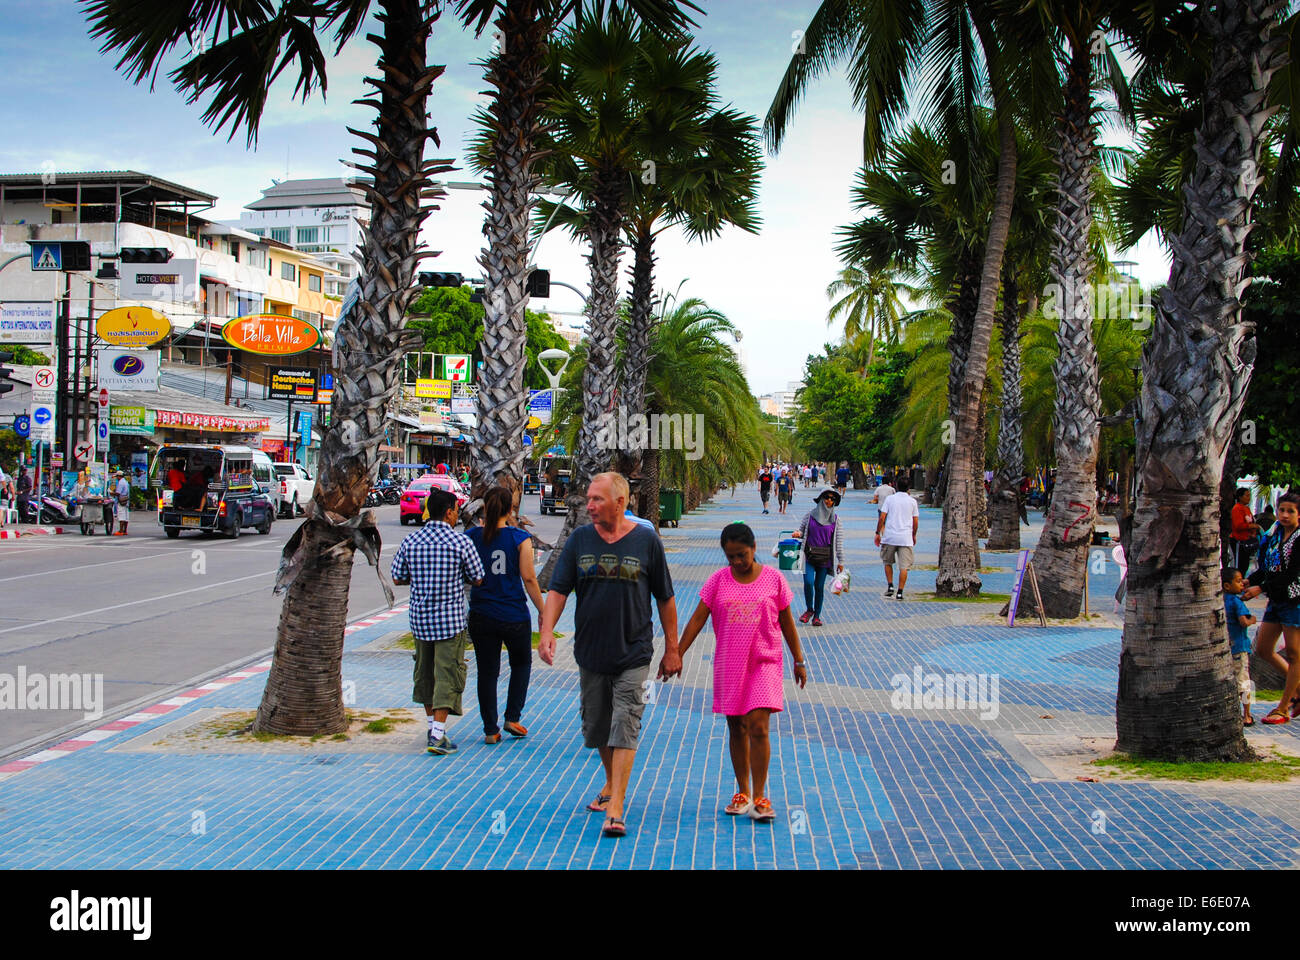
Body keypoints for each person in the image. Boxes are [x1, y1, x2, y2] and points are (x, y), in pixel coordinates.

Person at [538, 472, 678, 839]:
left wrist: (673, 648)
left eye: (597, 499)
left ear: (621, 502)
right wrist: (547, 631)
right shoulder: (580, 540)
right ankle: (611, 784)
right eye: (589, 498)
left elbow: (665, 597)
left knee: (625, 725)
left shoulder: (647, 541)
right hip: (590, 652)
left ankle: (616, 807)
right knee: (597, 727)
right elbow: (558, 590)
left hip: (634, 652)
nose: (590, 505)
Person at [660, 522, 807, 822]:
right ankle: (742, 791)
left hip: (765, 662)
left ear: (754, 549)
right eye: (731, 557)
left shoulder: (774, 580)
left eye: (742, 555)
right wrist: (676, 652)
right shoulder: (717, 582)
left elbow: (788, 623)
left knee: (759, 726)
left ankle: (761, 794)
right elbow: (698, 619)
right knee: (737, 727)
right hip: (730, 663)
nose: (738, 562)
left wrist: (798, 659)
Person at [391, 488, 486, 755]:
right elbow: (478, 577)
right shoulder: (460, 542)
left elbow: (397, 577)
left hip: (420, 621)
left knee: (424, 674)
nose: (457, 515)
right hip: (450, 621)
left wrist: (421, 579)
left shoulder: (412, 541)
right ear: (448, 512)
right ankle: (438, 734)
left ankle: (432, 726)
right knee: (447, 674)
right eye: (456, 510)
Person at [467, 486, 545, 744]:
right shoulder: (519, 538)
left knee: (487, 672)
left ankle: (490, 729)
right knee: (521, 665)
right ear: (511, 509)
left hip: (481, 613)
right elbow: (529, 578)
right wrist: (543, 610)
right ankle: (512, 717)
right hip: (513, 613)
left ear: (485, 509)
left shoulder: (472, 536)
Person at [1246, 492, 1300, 724]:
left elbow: (1290, 574)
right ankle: (1297, 690)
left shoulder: (1298, 539)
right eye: (1282, 510)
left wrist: (1260, 587)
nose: (1285, 515)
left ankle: (1283, 707)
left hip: (1294, 600)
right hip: (1276, 600)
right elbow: (1268, 566)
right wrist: (1251, 580)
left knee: (1294, 653)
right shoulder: (1274, 534)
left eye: (1291, 511)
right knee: (1264, 649)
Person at [791, 489, 845, 627]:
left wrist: (841, 561)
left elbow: (838, 541)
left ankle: (817, 616)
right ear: (821, 498)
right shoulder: (810, 516)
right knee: (808, 583)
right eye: (826, 497)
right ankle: (809, 609)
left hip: (825, 558)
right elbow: (802, 530)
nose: (829, 501)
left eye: (833, 499)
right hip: (809, 556)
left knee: (819, 587)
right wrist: (798, 533)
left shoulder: (836, 520)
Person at [876, 475, 919, 600]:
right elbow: (915, 521)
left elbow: (882, 517)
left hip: (890, 536)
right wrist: (914, 535)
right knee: (904, 566)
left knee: (887, 562)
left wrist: (877, 532)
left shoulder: (890, 499)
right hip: (905, 538)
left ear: (896, 486)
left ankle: (890, 586)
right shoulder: (912, 502)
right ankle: (900, 592)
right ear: (909, 487)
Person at [1224, 568, 1257, 726]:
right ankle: (1247, 714)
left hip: (1226, 647)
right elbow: (1243, 621)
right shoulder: (1237, 602)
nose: (1242, 584)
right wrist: (1253, 620)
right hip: (1240, 647)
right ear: (1227, 586)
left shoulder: (1220, 600)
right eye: (1238, 581)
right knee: (1244, 682)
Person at [1229, 487, 1262, 574]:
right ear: (1240, 497)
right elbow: (1238, 526)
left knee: (1245, 564)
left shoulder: (1246, 508)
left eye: (1249, 495)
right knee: (1240, 565)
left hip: (1247, 540)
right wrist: (1251, 526)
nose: (1249, 498)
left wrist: (1253, 530)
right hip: (1239, 541)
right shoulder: (1237, 508)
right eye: (1247, 496)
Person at [113, 470, 132, 536]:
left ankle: (121, 531)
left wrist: (112, 493)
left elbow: (118, 493)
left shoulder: (121, 483)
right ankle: (125, 531)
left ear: (119, 476)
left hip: (121, 501)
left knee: (121, 516)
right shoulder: (126, 482)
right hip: (126, 501)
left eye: (117, 476)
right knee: (126, 516)